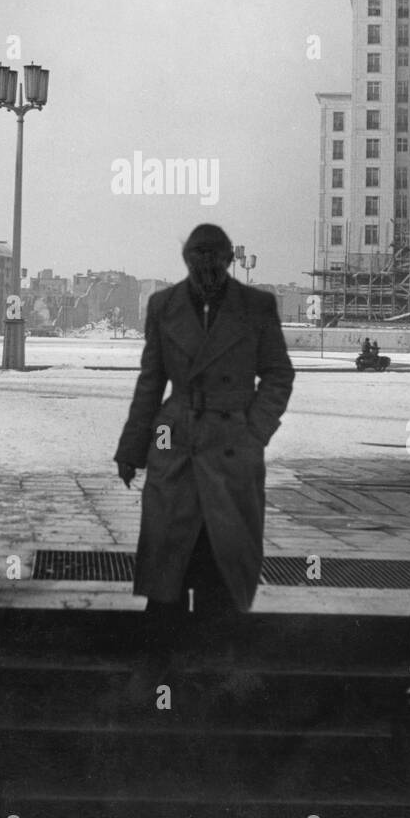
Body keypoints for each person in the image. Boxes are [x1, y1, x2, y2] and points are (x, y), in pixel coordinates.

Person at [114, 223, 294, 702]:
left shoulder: (257, 306)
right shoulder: (163, 306)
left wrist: (254, 432)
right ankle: (156, 667)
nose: (207, 263)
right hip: (175, 447)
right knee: (168, 561)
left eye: (216, 254)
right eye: (199, 253)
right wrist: (132, 448)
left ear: (230, 258)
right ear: (186, 258)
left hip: (231, 450)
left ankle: (221, 673)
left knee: (222, 562)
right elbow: (151, 381)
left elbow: (278, 374)